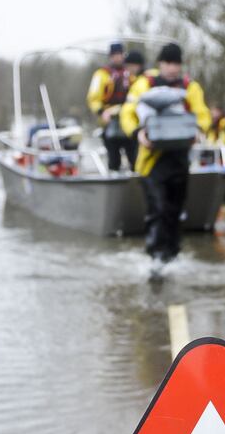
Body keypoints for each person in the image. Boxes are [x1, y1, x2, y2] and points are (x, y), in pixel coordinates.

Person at [120, 43, 211, 269]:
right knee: (157, 209)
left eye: (176, 63)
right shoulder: (144, 85)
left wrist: (199, 131)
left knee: (175, 210)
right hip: (152, 161)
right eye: (168, 63)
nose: (172, 68)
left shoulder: (191, 88)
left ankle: (172, 255)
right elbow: (127, 113)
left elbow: (202, 115)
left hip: (180, 159)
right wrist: (137, 133)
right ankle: (156, 257)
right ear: (160, 63)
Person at [87, 42, 138, 172]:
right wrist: (101, 112)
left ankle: (135, 184)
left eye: (120, 55)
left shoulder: (131, 74)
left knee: (134, 157)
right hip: (109, 123)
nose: (117, 58)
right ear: (110, 57)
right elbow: (93, 98)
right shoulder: (101, 74)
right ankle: (114, 179)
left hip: (129, 122)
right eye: (114, 55)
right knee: (114, 158)